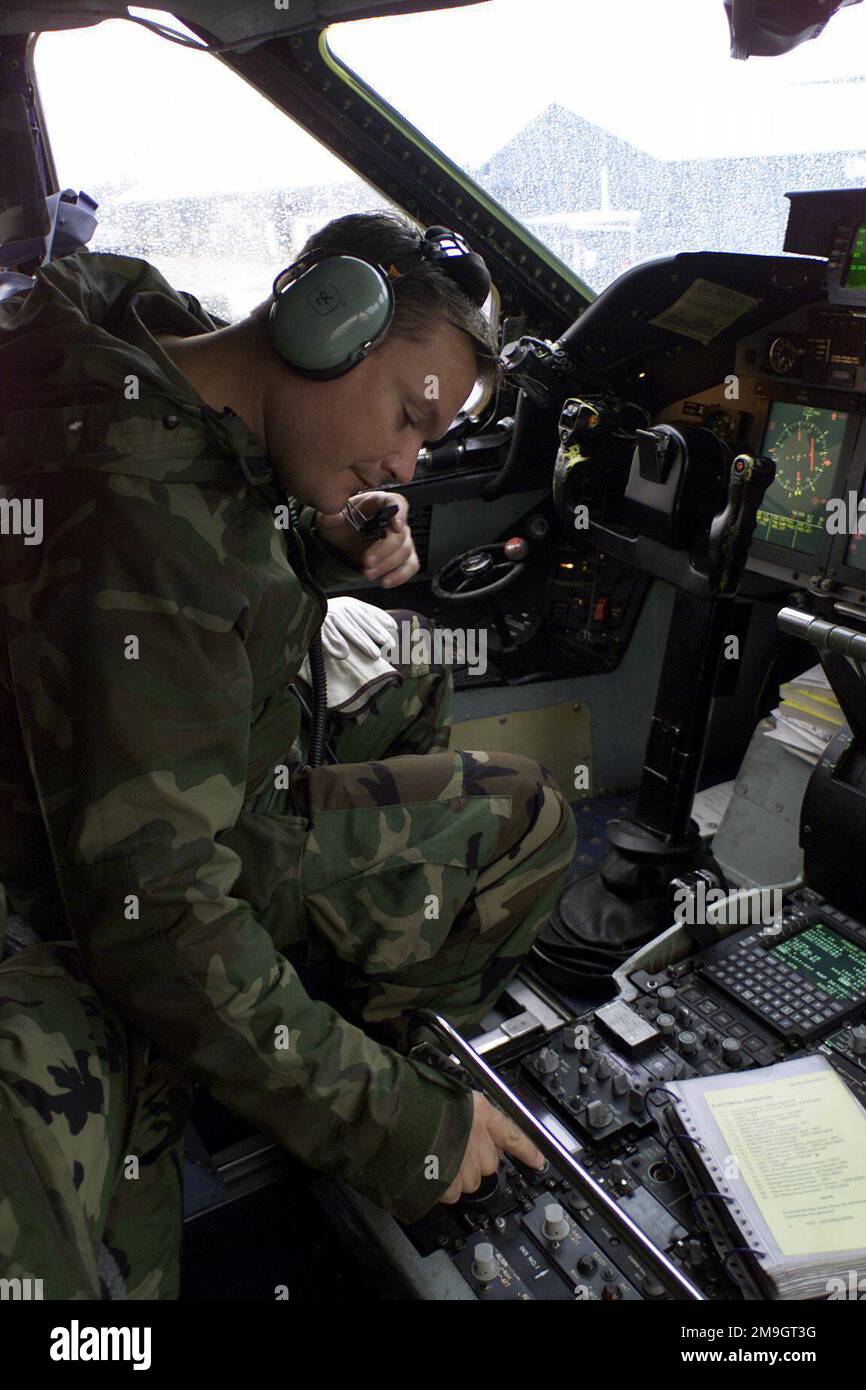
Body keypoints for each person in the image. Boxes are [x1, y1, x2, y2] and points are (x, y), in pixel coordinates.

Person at [0, 209, 578, 1299]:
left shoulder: (133, 362)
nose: (406, 460)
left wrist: (314, 547)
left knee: (438, 704)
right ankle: (350, 1087)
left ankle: (322, 1051)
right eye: (411, 414)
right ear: (326, 322)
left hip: (180, 795)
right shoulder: (137, 512)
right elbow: (161, 916)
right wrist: (398, 1127)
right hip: (86, 905)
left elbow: (200, 563)